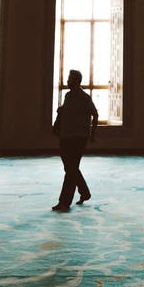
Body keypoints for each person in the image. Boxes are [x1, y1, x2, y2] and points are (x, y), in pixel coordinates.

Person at [52, 69, 98, 212]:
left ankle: (64, 202)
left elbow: (95, 114)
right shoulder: (67, 96)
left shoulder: (85, 98)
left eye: (70, 79)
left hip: (79, 138)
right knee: (70, 168)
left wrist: (92, 134)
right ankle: (85, 192)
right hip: (65, 136)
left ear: (76, 81)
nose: (67, 81)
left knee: (71, 170)